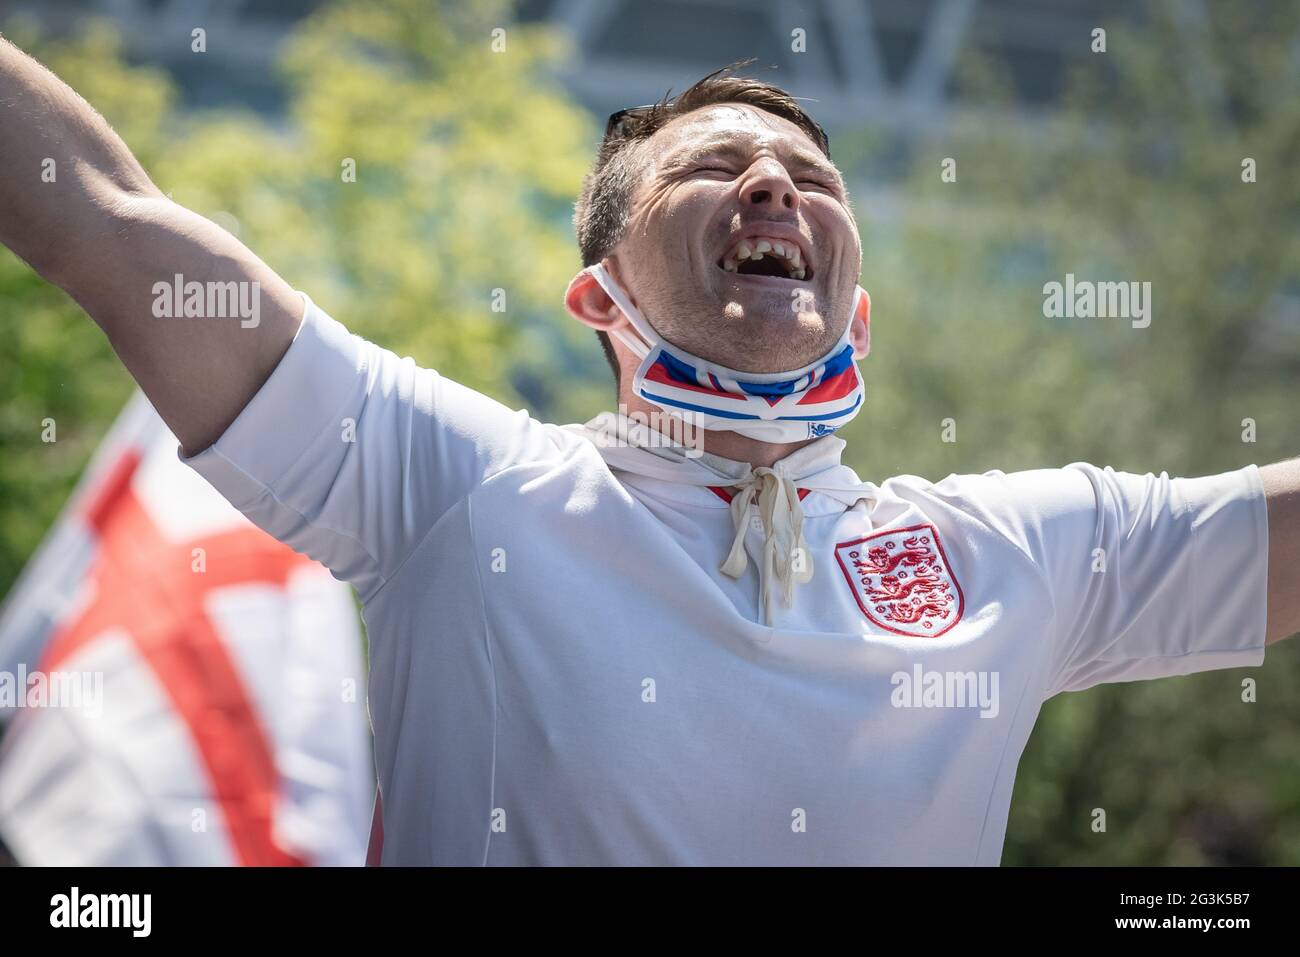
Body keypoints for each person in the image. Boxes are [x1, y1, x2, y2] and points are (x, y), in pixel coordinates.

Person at [1, 43, 1296, 865]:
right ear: (600, 298)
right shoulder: (455, 487)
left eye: (810, 177)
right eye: (718, 168)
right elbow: (113, 225)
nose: (778, 187)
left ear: (858, 304)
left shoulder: (1010, 550)